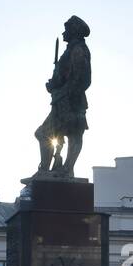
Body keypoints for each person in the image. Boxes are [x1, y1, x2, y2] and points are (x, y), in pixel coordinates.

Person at [33, 15, 91, 177]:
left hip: (69, 101)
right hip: (63, 100)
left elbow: (82, 79)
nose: (64, 33)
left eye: (66, 29)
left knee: (48, 133)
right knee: (67, 134)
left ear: (73, 31)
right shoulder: (72, 50)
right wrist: (53, 85)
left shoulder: (78, 50)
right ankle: (56, 169)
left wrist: (64, 93)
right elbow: (64, 76)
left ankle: (60, 169)